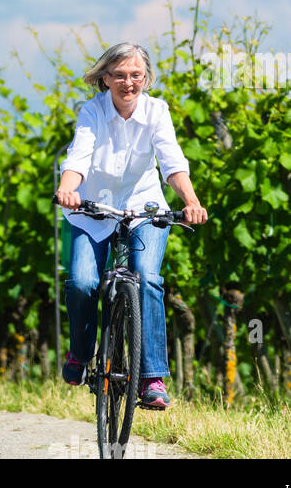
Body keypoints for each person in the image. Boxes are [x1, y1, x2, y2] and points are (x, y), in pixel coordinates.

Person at [53, 42, 208, 409]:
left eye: (136, 75)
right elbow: (79, 156)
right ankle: (80, 352)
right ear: (105, 78)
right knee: (82, 282)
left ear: (146, 78)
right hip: (93, 211)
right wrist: (67, 189)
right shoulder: (91, 111)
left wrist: (191, 201)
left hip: (143, 208)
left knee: (147, 278)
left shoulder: (157, 111)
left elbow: (172, 161)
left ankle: (152, 378)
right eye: (120, 75)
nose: (128, 82)